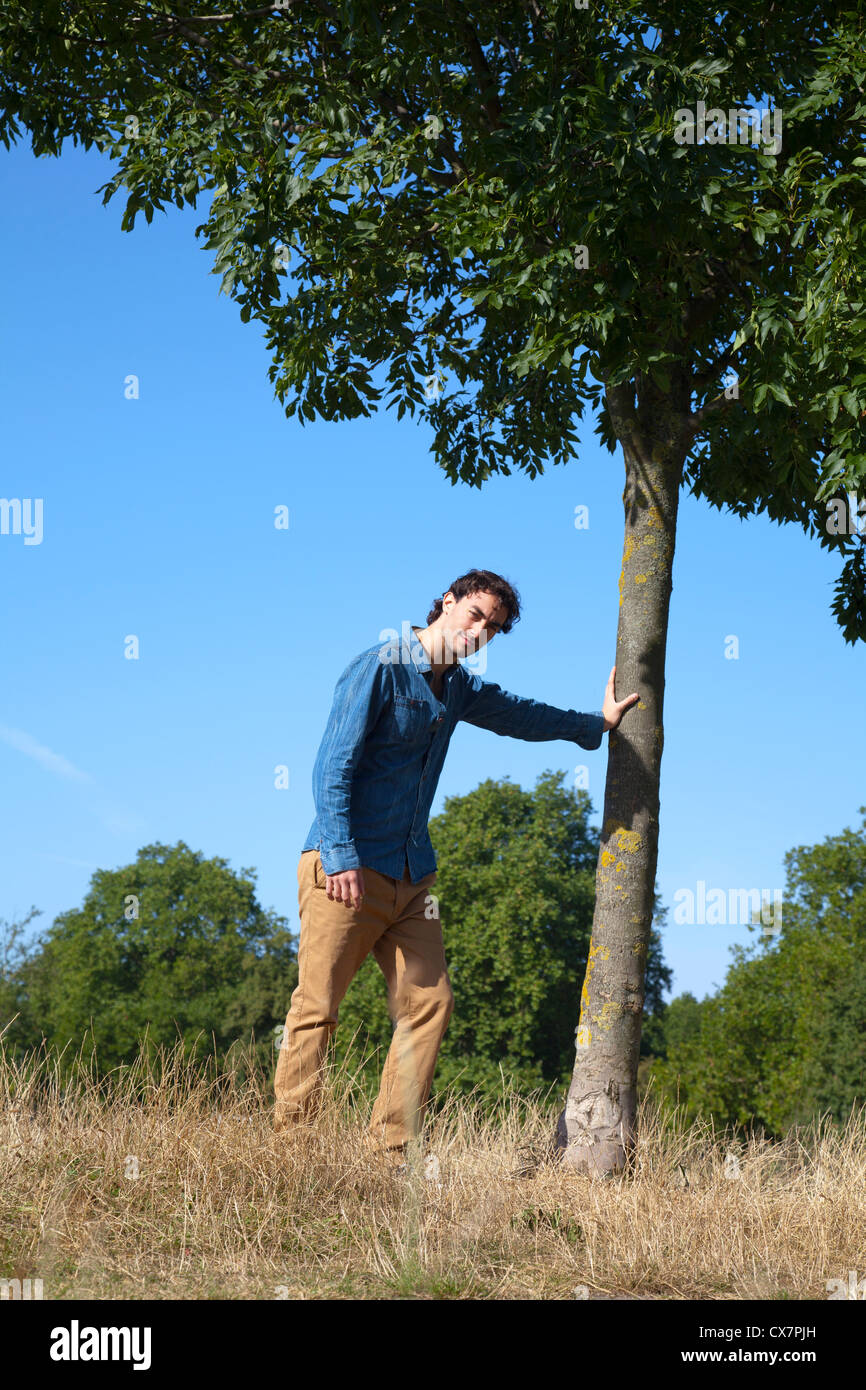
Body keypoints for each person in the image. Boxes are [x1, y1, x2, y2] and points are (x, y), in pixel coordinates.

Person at [273, 567, 639, 1166]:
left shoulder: (459, 689)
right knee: (317, 1007)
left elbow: (520, 715)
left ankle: (389, 1149)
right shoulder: (380, 666)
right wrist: (340, 855)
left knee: (430, 1004)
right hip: (346, 867)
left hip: (412, 877)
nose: (480, 632)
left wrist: (594, 725)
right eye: (475, 615)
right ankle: (291, 1149)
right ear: (447, 601)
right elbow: (331, 766)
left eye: (492, 628)